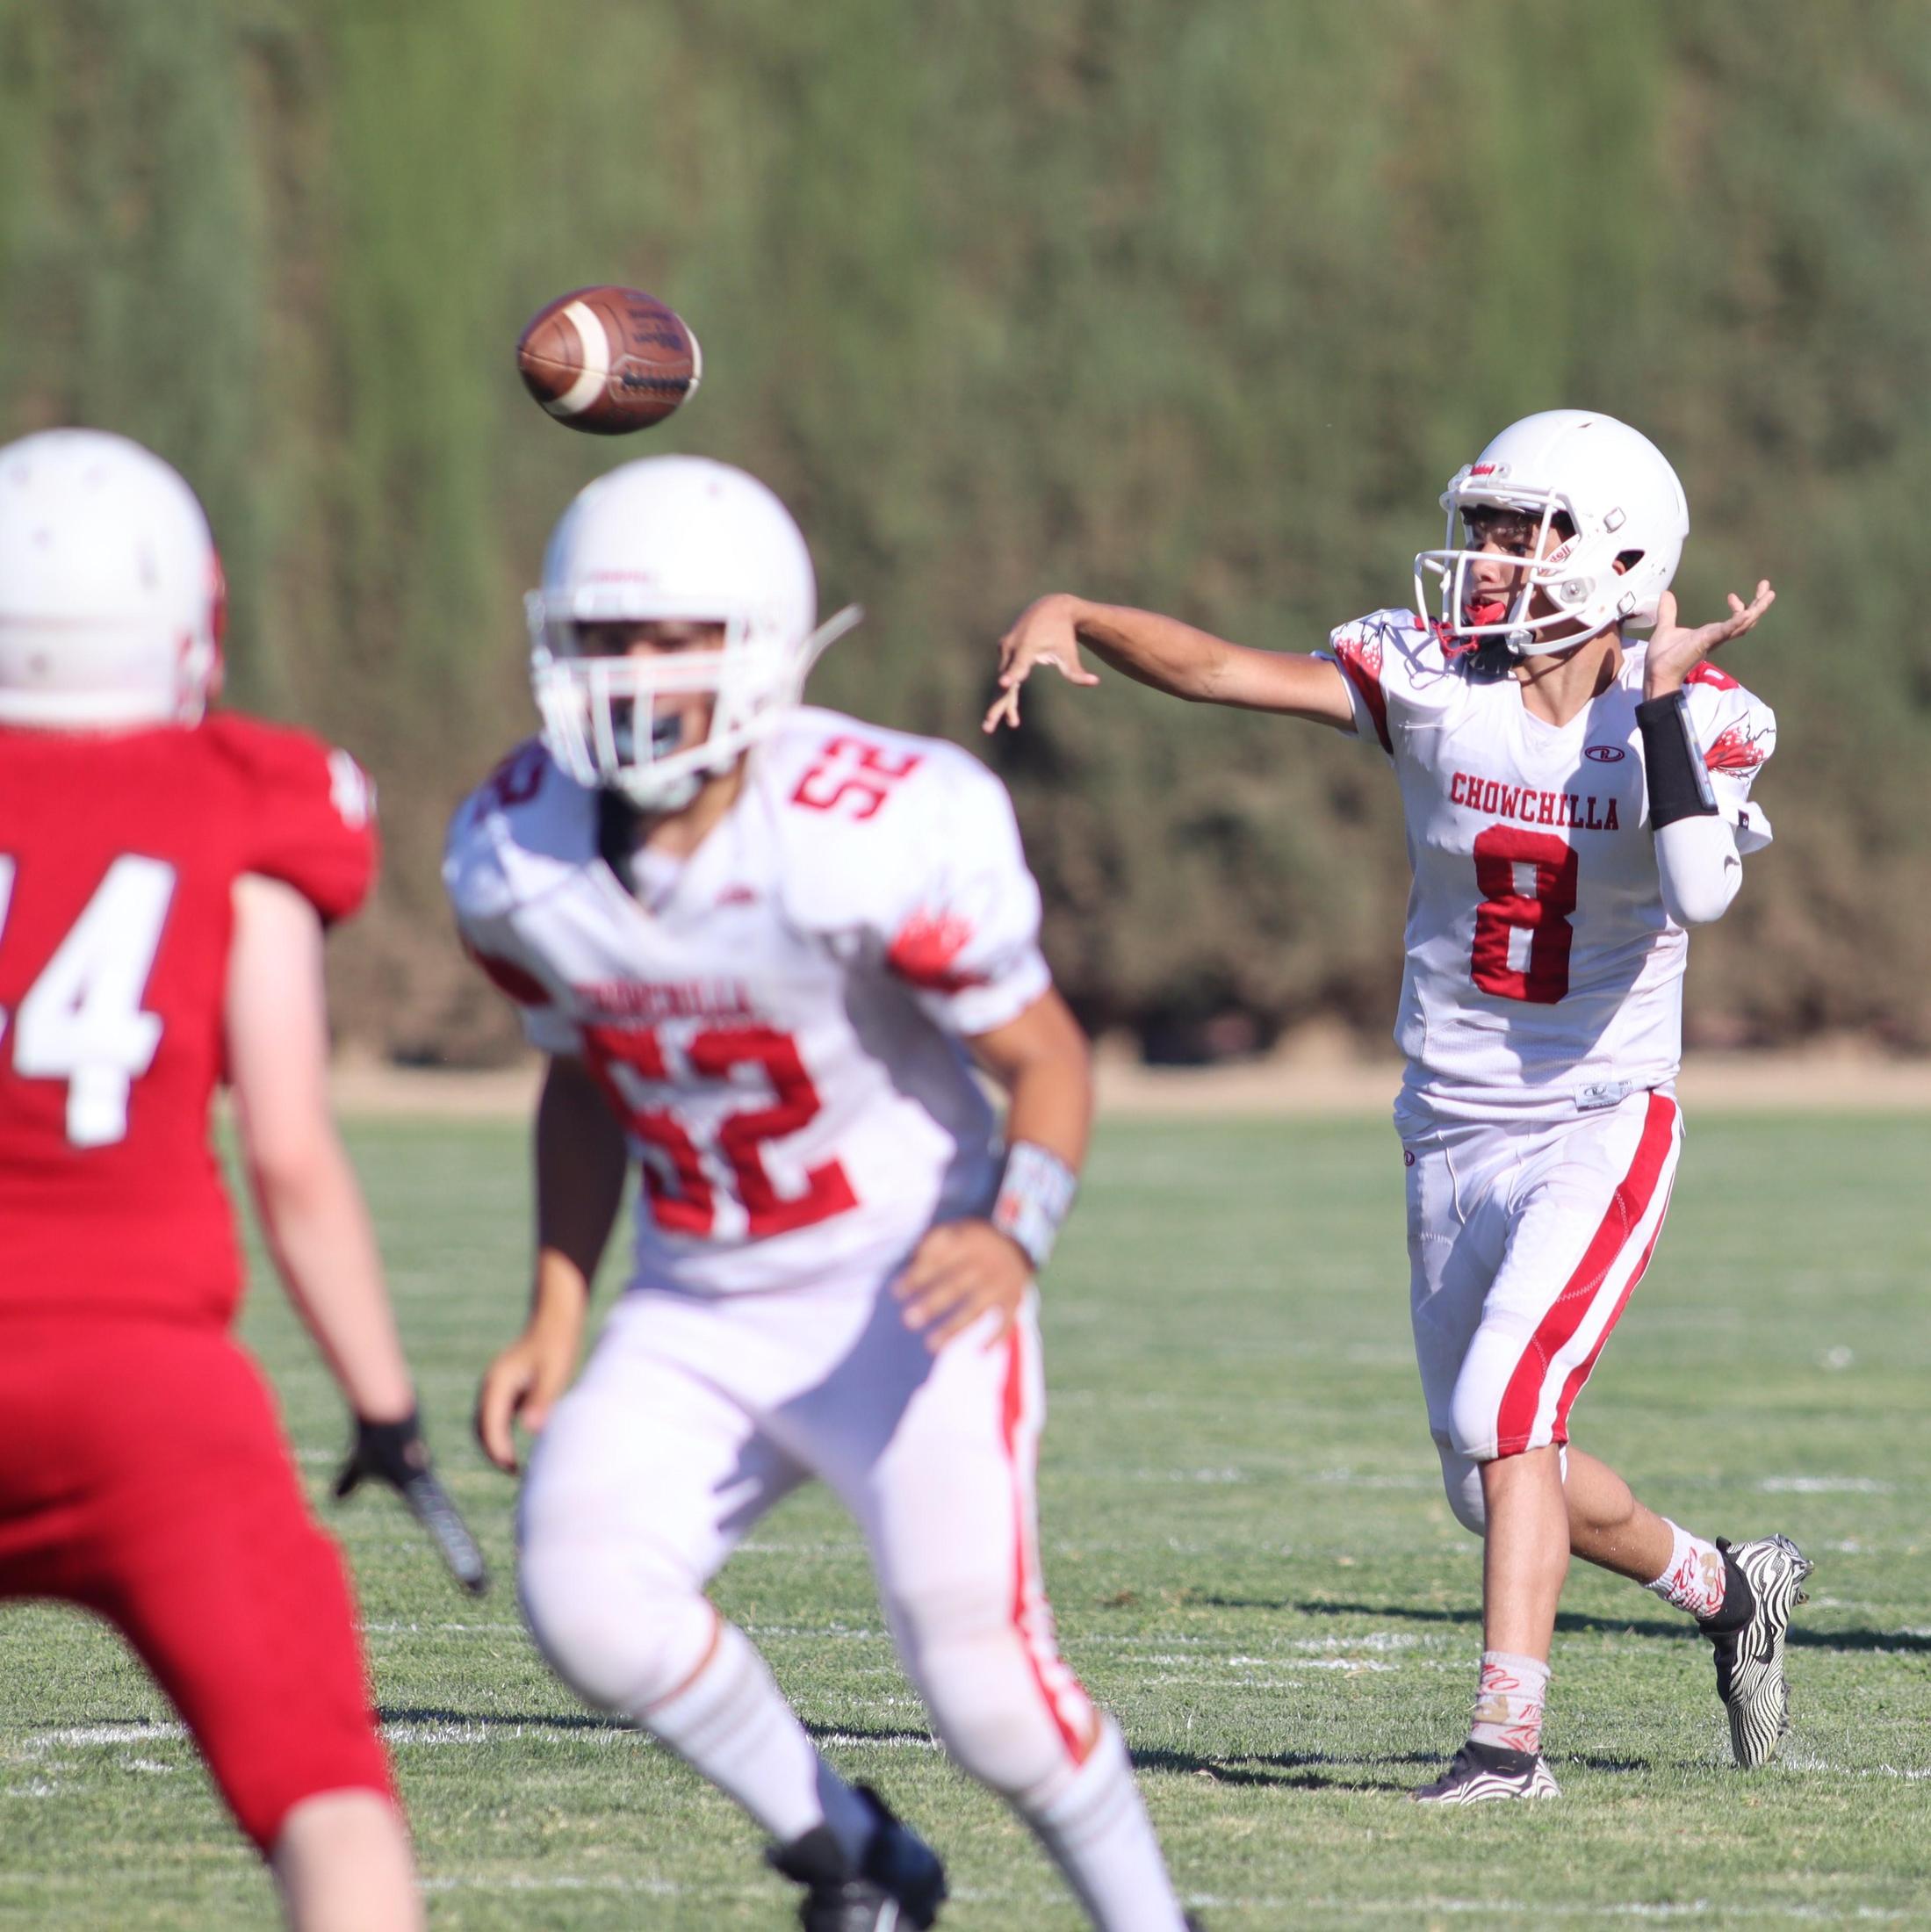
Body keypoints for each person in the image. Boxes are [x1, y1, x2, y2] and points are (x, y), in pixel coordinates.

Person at [985, 409, 1811, 1803]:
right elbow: (1221, 670)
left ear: (1617, 553)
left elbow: (1700, 892)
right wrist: (1078, 611)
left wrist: (1660, 702)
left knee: (1509, 1405)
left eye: (1520, 532)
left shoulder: (1703, 717)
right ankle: (1729, 1589)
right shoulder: (1429, 673)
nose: (1484, 560)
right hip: (1445, 1118)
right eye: (1482, 528)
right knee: (1489, 1477)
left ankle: (1506, 1751)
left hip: (1598, 1118)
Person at [449, 454, 1198, 1929]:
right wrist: (552, 1309)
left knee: (990, 1700)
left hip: (902, 1295)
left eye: (674, 639)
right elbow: (587, 1073)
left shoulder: (876, 822)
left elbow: (1046, 1059)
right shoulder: (513, 849)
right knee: (584, 1587)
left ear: (764, 652)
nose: (634, 676)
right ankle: (853, 1851)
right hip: (700, 1303)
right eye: (606, 639)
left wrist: (1014, 1232)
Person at [0, 429, 480, 1929]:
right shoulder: (245, 794)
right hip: (144, 1389)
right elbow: (288, 1150)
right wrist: (388, 1406)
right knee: (326, 1798)